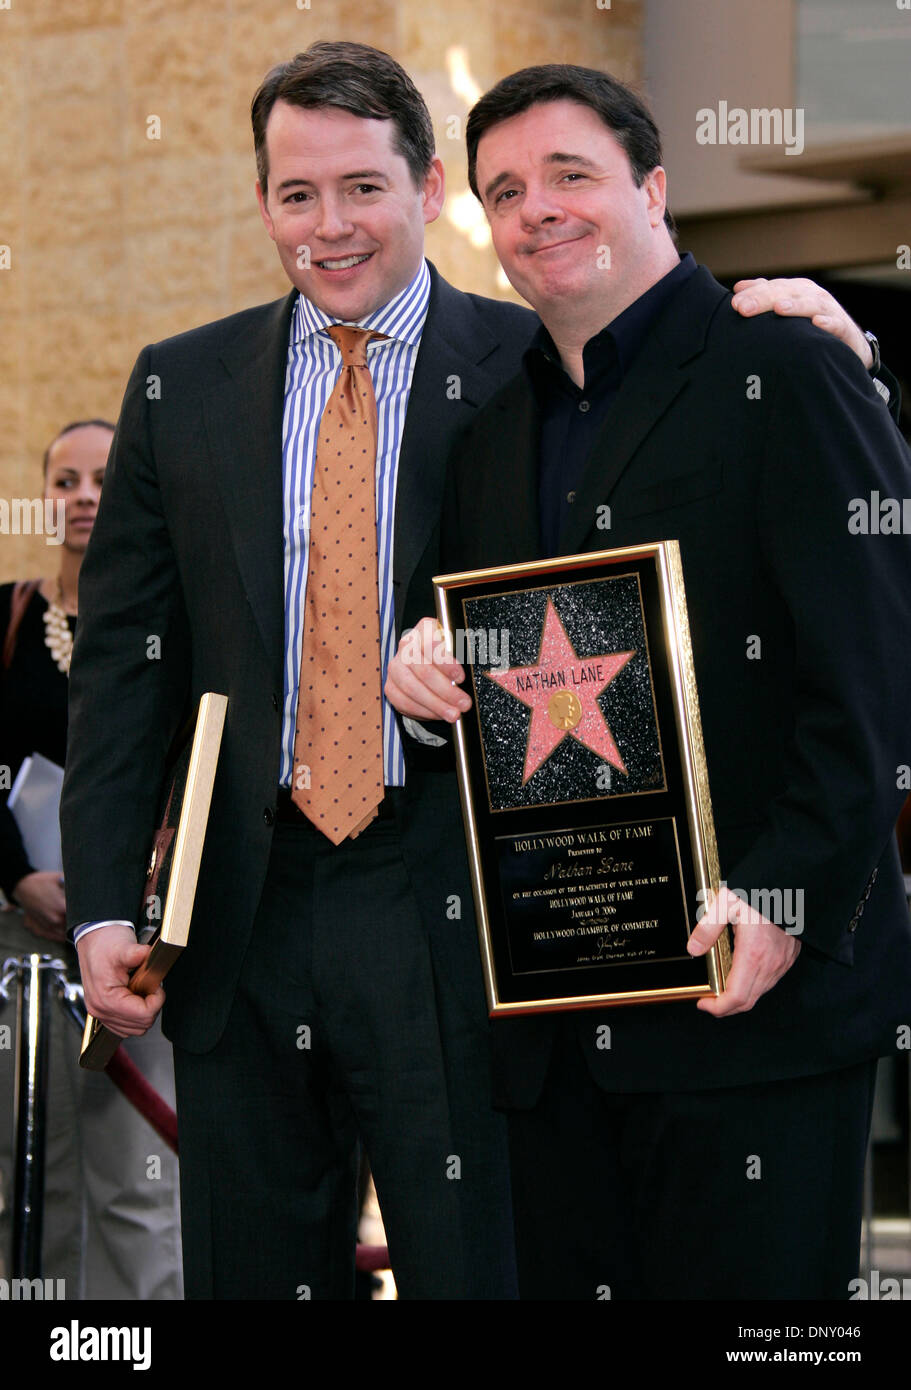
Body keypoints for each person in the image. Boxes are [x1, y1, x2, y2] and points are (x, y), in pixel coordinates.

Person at [59, 42, 882, 1302]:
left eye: (362, 188)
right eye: (294, 193)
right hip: (243, 912)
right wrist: (111, 895)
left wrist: (842, 341)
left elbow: (803, 549)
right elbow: (125, 666)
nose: (327, 225)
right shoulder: (184, 384)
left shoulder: (529, 355)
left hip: (466, 912)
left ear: (423, 185)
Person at [385, 63, 911, 1300]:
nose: (537, 210)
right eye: (506, 190)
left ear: (653, 187)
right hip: (555, 1025)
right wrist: (425, 668)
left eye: (570, 174)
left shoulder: (782, 367)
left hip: (751, 1010)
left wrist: (781, 901)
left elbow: (873, 673)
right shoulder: (486, 435)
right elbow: (485, 674)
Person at [0, 420, 182, 1299]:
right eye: (65, 481)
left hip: (137, 940)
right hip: (20, 947)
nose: (83, 498)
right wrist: (16, 875)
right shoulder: (8, 614)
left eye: (104, 479)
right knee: (27, 1163)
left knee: (138, 1172)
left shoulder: (172, 615)